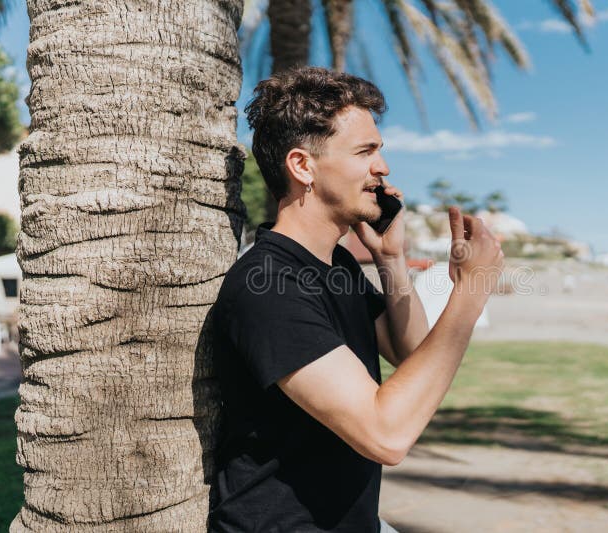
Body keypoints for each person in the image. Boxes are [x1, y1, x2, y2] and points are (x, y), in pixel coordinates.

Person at [208, 66, 504, 532]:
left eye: (380, 151)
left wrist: (391, 258)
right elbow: (386, 434)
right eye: (365, 151)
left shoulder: (337, 267)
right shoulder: (269, 284)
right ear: (302, 166)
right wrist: (473, 290)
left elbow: (414, 355)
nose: (382, 168)